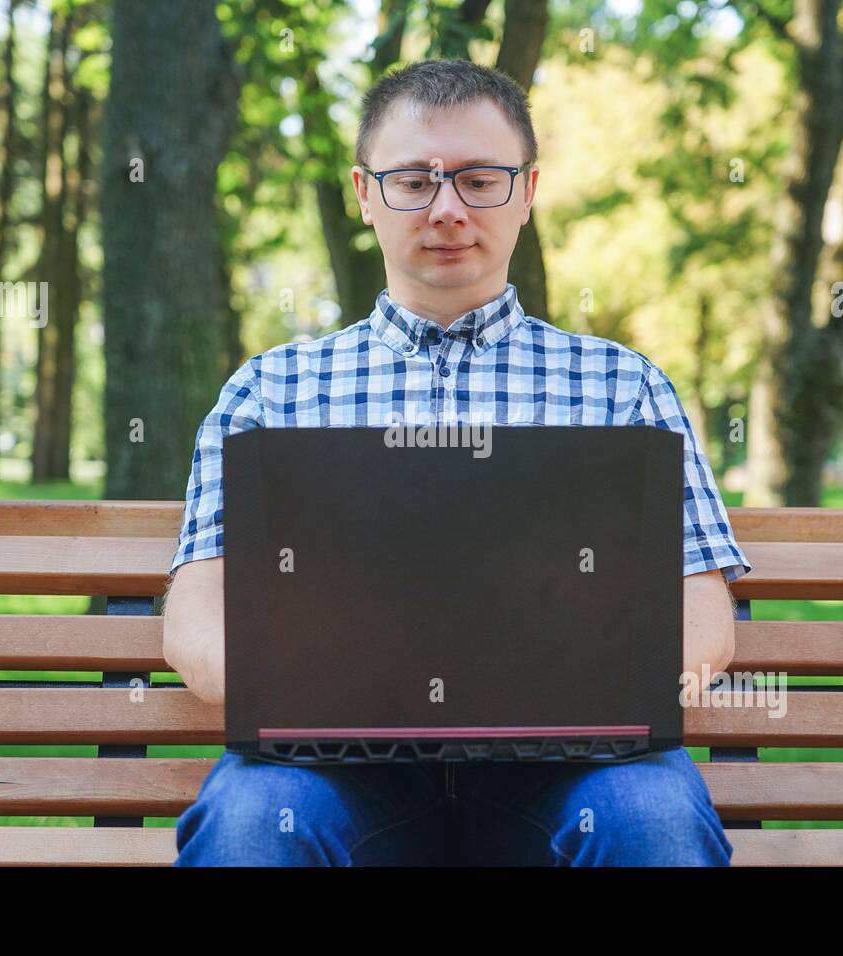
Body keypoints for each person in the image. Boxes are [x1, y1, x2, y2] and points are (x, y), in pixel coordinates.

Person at [163, 58, 752, 866]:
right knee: (248, 822)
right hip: (335, 776)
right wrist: (309, 689)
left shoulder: (622, 385)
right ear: (366, 195)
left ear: (528, 191)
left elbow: (704, 614)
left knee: (650, 819)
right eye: (413, 180)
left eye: (480, 179)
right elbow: (195, 620)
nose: (447, 209)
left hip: (571, 773)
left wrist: (607, 699)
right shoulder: (268, 393)